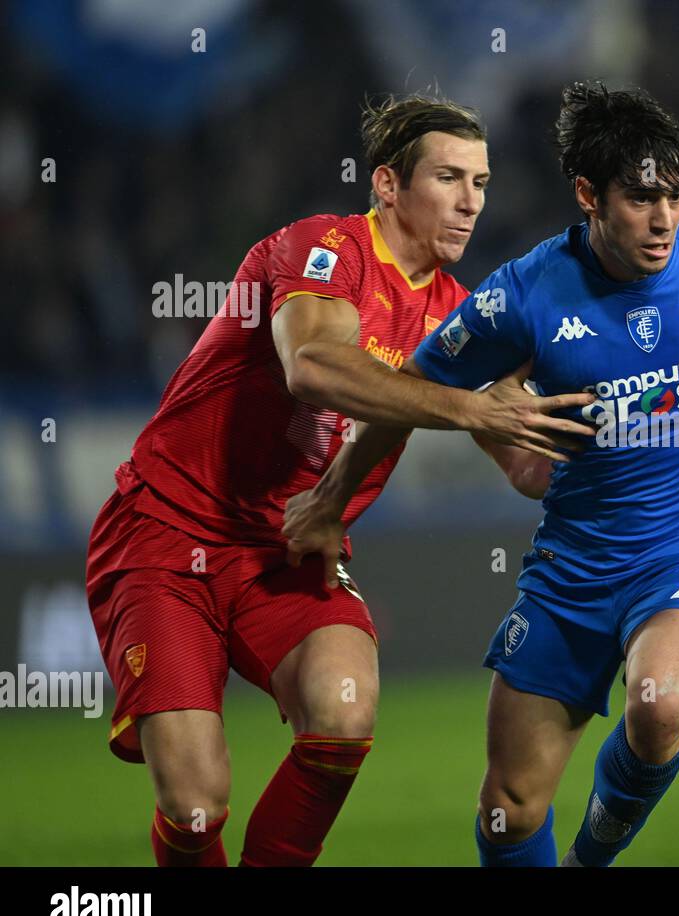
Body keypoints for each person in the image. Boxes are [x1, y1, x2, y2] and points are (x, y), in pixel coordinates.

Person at [285, 80, 679, 866]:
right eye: (640, 199)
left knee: (657, 706)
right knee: (509, 811)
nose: (663, 221)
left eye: (676, 196)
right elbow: (411, 395)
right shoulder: (522, 298)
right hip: (574, 569)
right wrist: (330, 501)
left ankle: (589, 859)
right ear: (588, 194)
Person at [84, 93, 595, 866]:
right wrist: (470, 406)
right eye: (449, 178)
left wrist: (595, 437)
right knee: (194, 807)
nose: (470, 203)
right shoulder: (322, 248)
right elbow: (314, 366)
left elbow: (525, 465)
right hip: (168, 532)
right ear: (387, 184)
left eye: (482, 183)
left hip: (292, 547)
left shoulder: (462, 315)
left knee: (344, 714)